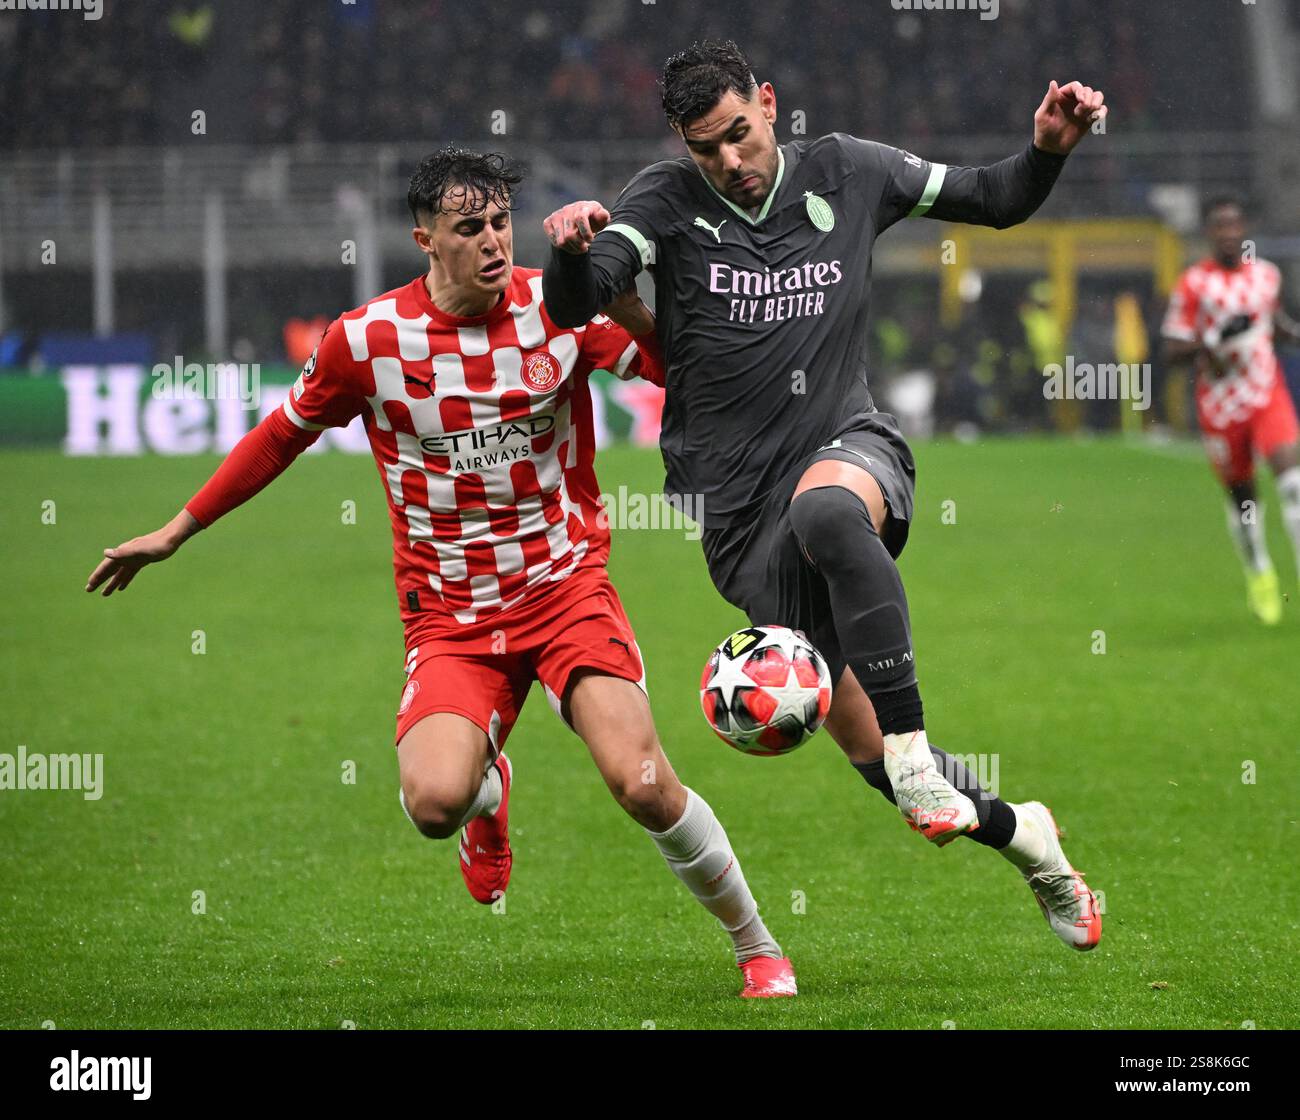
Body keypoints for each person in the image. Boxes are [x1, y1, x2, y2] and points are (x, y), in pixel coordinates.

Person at [85, 146, 797, 998]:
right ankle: (487, 792)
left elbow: (679, 371)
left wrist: (631, 307)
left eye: (501, 222)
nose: (494, 242)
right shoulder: (369, 340)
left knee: (642, 784)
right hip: (452, 616)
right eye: (471, 228)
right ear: (426, 238)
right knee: (433, 805)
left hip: (565, 588)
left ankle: (757, 946)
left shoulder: (557, 305)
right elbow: (282, 435)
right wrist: (175, 530)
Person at [542, 41, 1104, 950]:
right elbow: (578, 302)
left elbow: (994, 199)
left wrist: (1046, 148)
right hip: (735, 512)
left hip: (848, 447)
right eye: (705, 148)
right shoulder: (664, 201)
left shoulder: (849, 170)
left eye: (738, 133)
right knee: (866, 754)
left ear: (768, 103)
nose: (728, 160)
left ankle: (915, 750)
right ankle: (1028, 839)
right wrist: (571, 251)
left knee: (830, 512)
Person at [1162, 195, 1300, 624]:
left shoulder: (1266, 276)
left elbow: (1270, 322)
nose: (1229, 233)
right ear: (1209, 232)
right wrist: (1213, 340)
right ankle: (1258, 569)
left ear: (1244, 229)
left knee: (1294, 483)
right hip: (1221, 405)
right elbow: (1171, 350)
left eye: (1234, 225)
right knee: (1245, 501)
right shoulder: (1193, 285)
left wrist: (1292, 334)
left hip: (1265, 392)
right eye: (1220, 226)